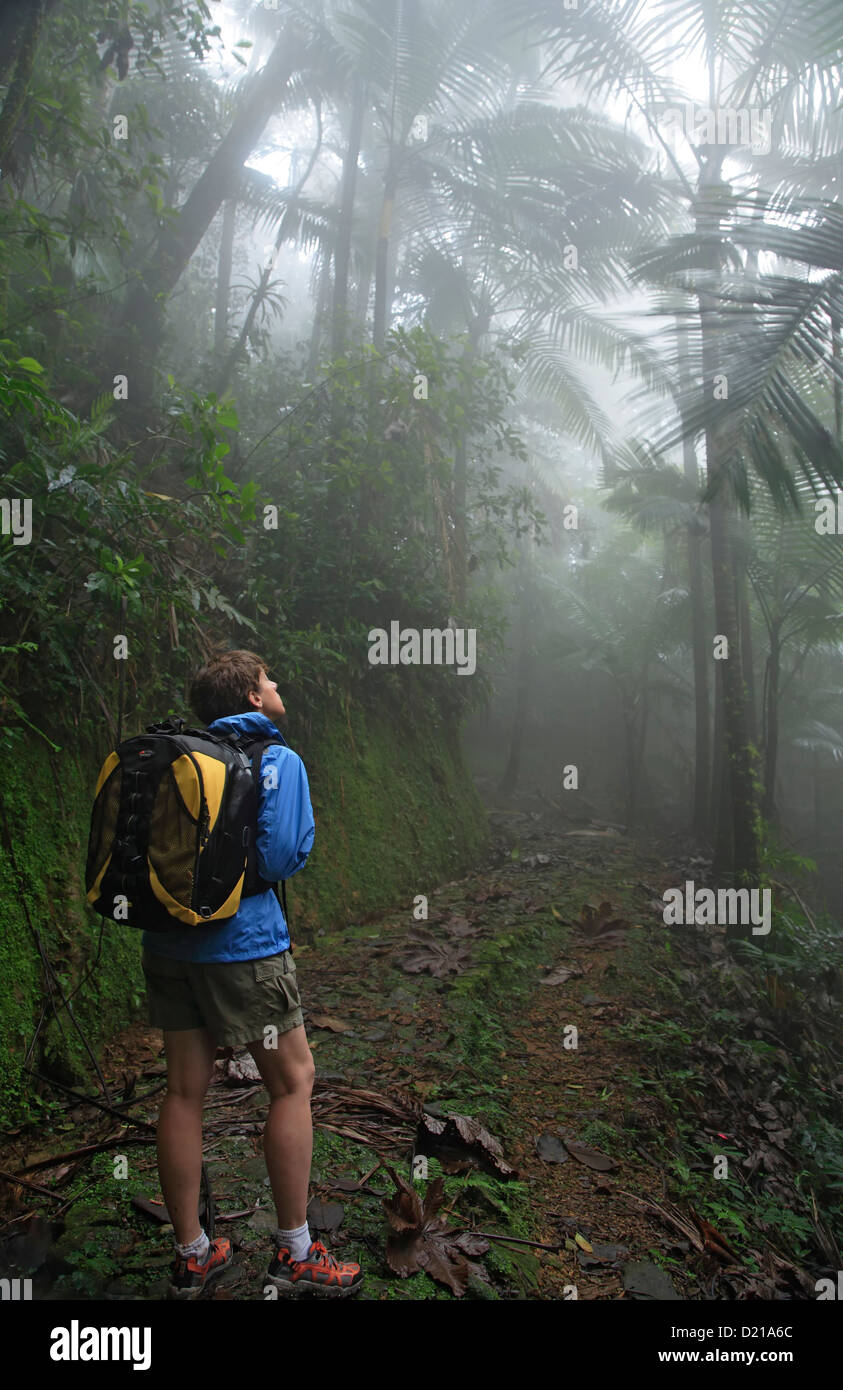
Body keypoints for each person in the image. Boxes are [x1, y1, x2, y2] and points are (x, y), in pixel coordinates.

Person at [140, 649, 363, 1299]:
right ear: (253, 698)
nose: (277, 685)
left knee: (183, 1091)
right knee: (293, 1083)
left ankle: (193, 1255)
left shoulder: (178, 758)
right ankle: (295, 1253)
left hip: (167, 945)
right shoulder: (275, 760)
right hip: (245, 948)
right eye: (269, 680)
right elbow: (280, 855)